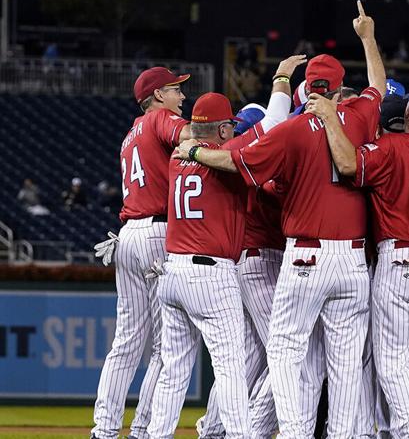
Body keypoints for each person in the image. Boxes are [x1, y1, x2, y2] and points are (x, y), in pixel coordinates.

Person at [180, 1, 386, 438]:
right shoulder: (360, 116)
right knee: (347, 362)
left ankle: (293, 432)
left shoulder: (290, 129)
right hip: (351, 260)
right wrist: (367, 37)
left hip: (306, 257)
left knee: (287, 350)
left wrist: (196, 152)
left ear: (306, 90)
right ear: (339, 89)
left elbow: (238, 164)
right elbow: (378, 86)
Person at [306, 82, 409, 438]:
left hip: (404, 255)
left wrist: (331, 117)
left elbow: (346, 163)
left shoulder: (392, 146)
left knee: (391, 359)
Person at [193, 56, 308, 438]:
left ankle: (213, 428)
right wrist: (281, 79)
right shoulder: (253, 153)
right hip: (259, 257)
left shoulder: (209, 157)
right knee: (286, 354)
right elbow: (274, 126)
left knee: (249, 357)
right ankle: (252, 430)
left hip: (245, 260)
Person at [149, 92, 271, 438]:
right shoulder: (226, 154)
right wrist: (279, 81)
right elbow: (270, 125)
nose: (233, 132)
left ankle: (156, 435)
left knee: (173, 371)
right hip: (210, 273)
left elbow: (194, 140)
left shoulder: (177, 158)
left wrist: (194, 141)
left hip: (173, 272)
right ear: (222, 131)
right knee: (231, 365)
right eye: (229, 127)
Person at [91, 66, 192, 439]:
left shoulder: (130, 134)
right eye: (174, 90)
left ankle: (104, 429)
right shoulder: (159, 119)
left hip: (129, 235)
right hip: (158, 234)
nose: (182, 97)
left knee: (127, 341)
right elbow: (187, 135)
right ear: (157, 96)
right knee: (167, 344)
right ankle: (144, 429)